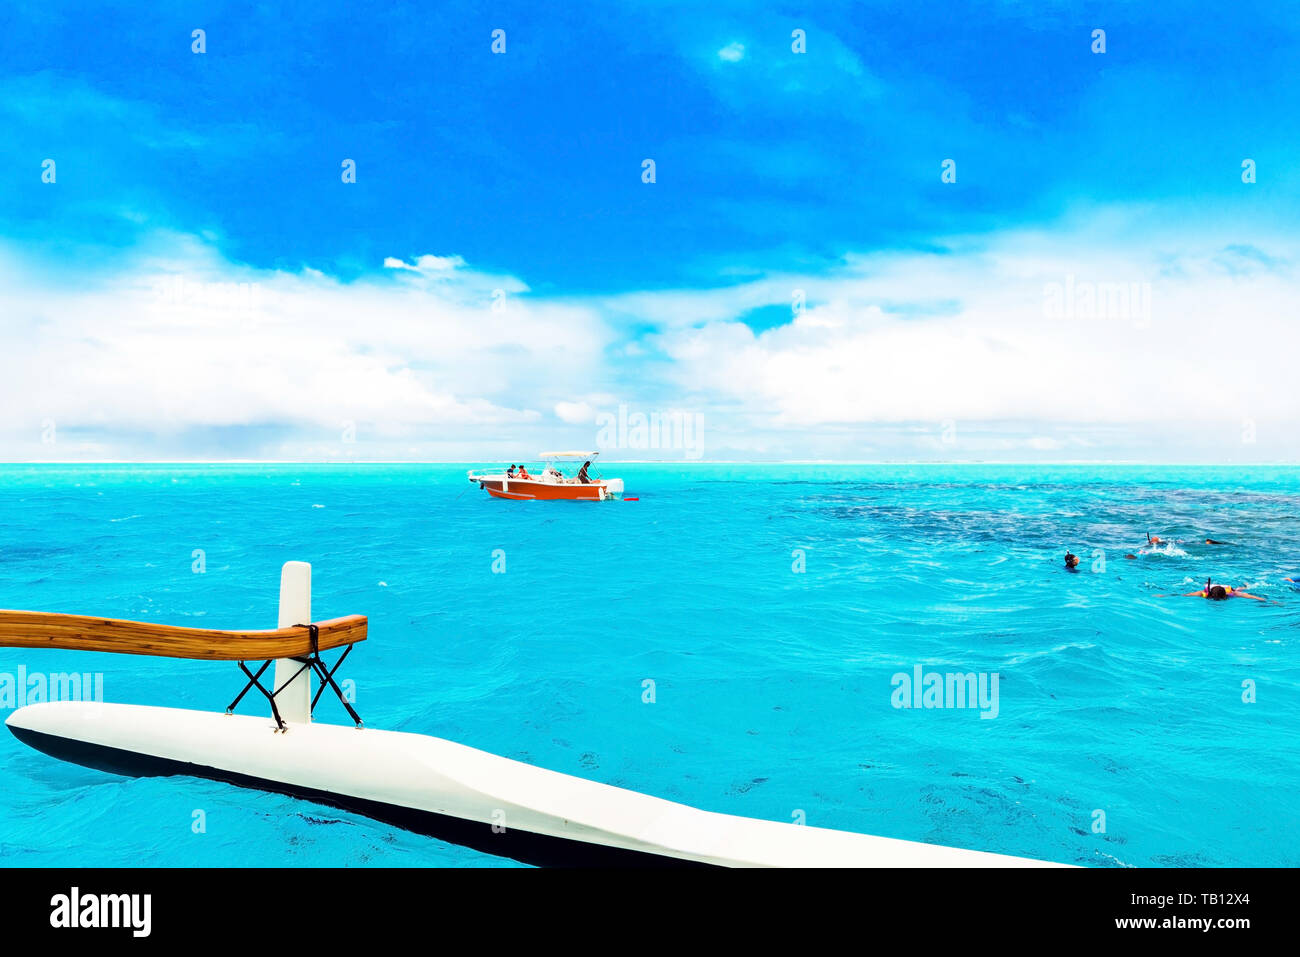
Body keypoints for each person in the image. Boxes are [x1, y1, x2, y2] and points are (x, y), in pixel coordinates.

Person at [1182, 577, 1265, 601]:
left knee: (1236, 590)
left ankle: (1245, 586)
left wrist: (1262, 599)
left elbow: (1250, 596)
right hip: (1212, 587)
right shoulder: (1203, 593)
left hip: (1226, 588)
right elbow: (1188, 595)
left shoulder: (1231, 593)